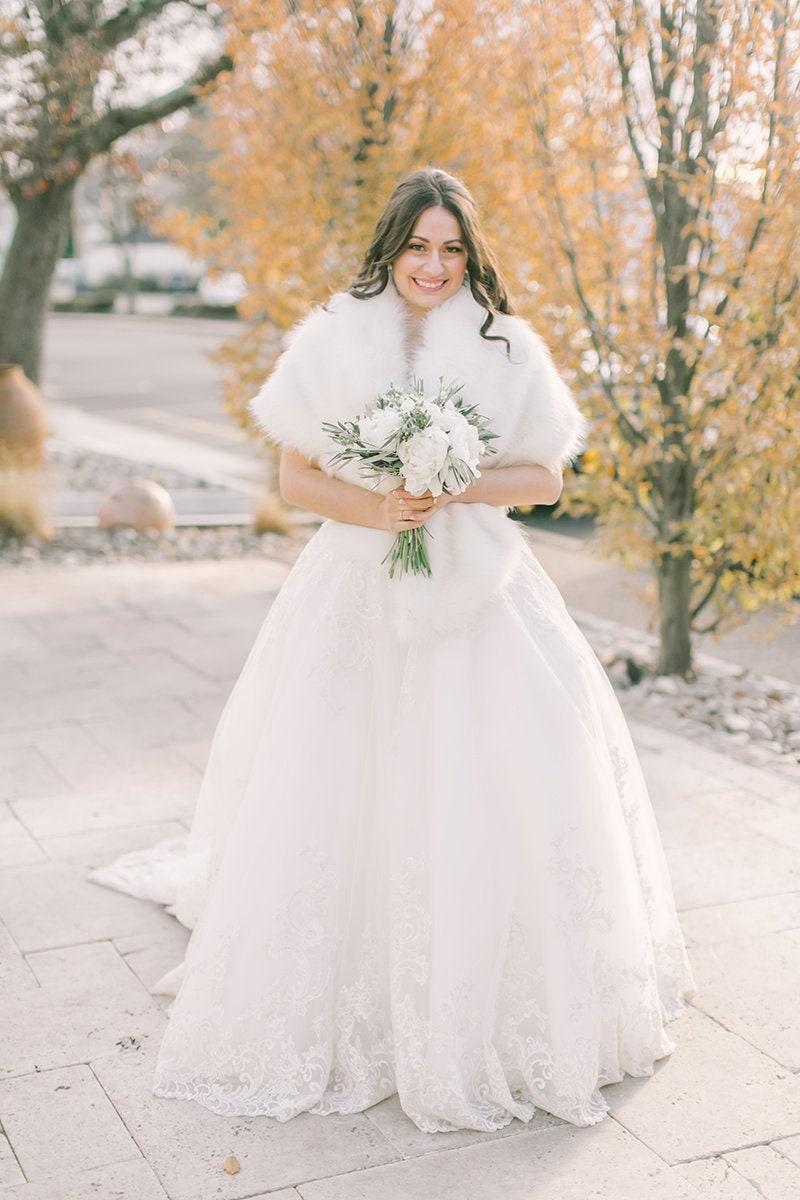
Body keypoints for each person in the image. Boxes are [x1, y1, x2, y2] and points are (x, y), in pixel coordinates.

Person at [91, 167, 695, 1134]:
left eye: (453, 248)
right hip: (356, 587)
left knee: (500, 773)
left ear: (471, 254)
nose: (435, 265)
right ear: (392, 249)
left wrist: (456, 483)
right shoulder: (335, 339)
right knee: (342, 777)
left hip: (482, 588)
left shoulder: (506, 345)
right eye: (419, 245)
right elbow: (294, 475)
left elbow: (543, 476)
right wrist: (382, 505)